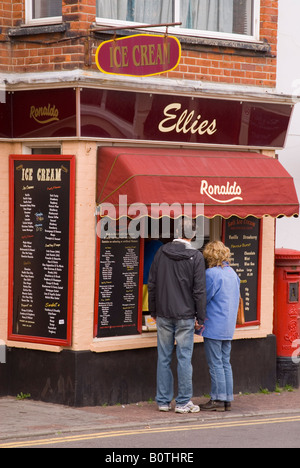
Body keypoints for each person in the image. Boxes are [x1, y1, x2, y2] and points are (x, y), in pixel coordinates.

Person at [148, 218, 206, 414]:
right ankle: (183, 402)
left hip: (163, 314)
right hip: (186, 315)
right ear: (192, 235)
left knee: (163, 357)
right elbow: (199, 291)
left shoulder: (161, 252)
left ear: (176, 232)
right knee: (184, 358)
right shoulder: (196, 257)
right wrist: (201, 317)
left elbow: (153, 284)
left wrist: (153, 311)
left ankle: (163, 401)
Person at [199, 241, 240, 412]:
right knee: (225, 362)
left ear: (209, 256)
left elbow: (204, 298)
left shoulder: (211, 274)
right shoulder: (232, 273)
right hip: (228, 325)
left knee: (215, 363)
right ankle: (227, 399)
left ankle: (217, 399)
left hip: (214, 324)